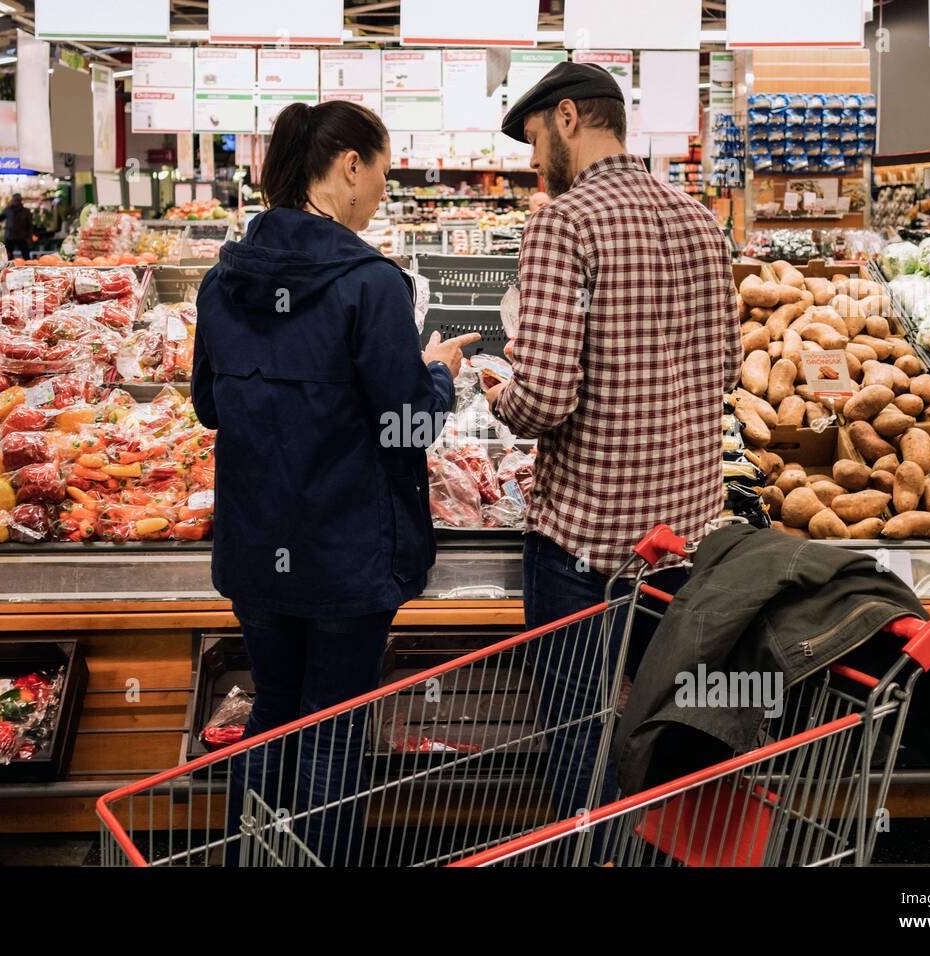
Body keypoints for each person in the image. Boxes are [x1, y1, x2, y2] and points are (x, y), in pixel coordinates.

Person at [190, 100, 478, 866]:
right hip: (348, 554)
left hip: (256, 550)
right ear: (349, 164)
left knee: (276, 707)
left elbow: (210, 406)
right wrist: (439, 375)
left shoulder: (223, 280)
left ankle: (251, 856)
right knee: (334, 723)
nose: (384, 189)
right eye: (383, 170)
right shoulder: (370, 284)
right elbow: (408, 424)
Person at [485, 63, 741, 824]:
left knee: (579, 736)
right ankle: (654, 840)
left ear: (567, 119)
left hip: (586, 552)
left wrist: (501, 393)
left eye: (533, 140)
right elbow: (725, 369)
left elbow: (546, 401)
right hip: (686, 542)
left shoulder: (562, 222)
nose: (533, 163)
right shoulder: (698, 216)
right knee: (661, 725)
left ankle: (594, 846)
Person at [3, 194, 32, 261]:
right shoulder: (8, 210)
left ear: (20, 201)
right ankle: (8, 268)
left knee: (26, 255)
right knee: (8, 256)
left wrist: (29, 237)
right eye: (14, 200)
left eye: (18, 200)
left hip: (22, 236)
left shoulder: (26, 211)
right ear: (12, 200)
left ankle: (28, 267)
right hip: (10, 236)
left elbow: (30, 225)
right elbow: (1, 217)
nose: (16, 201)